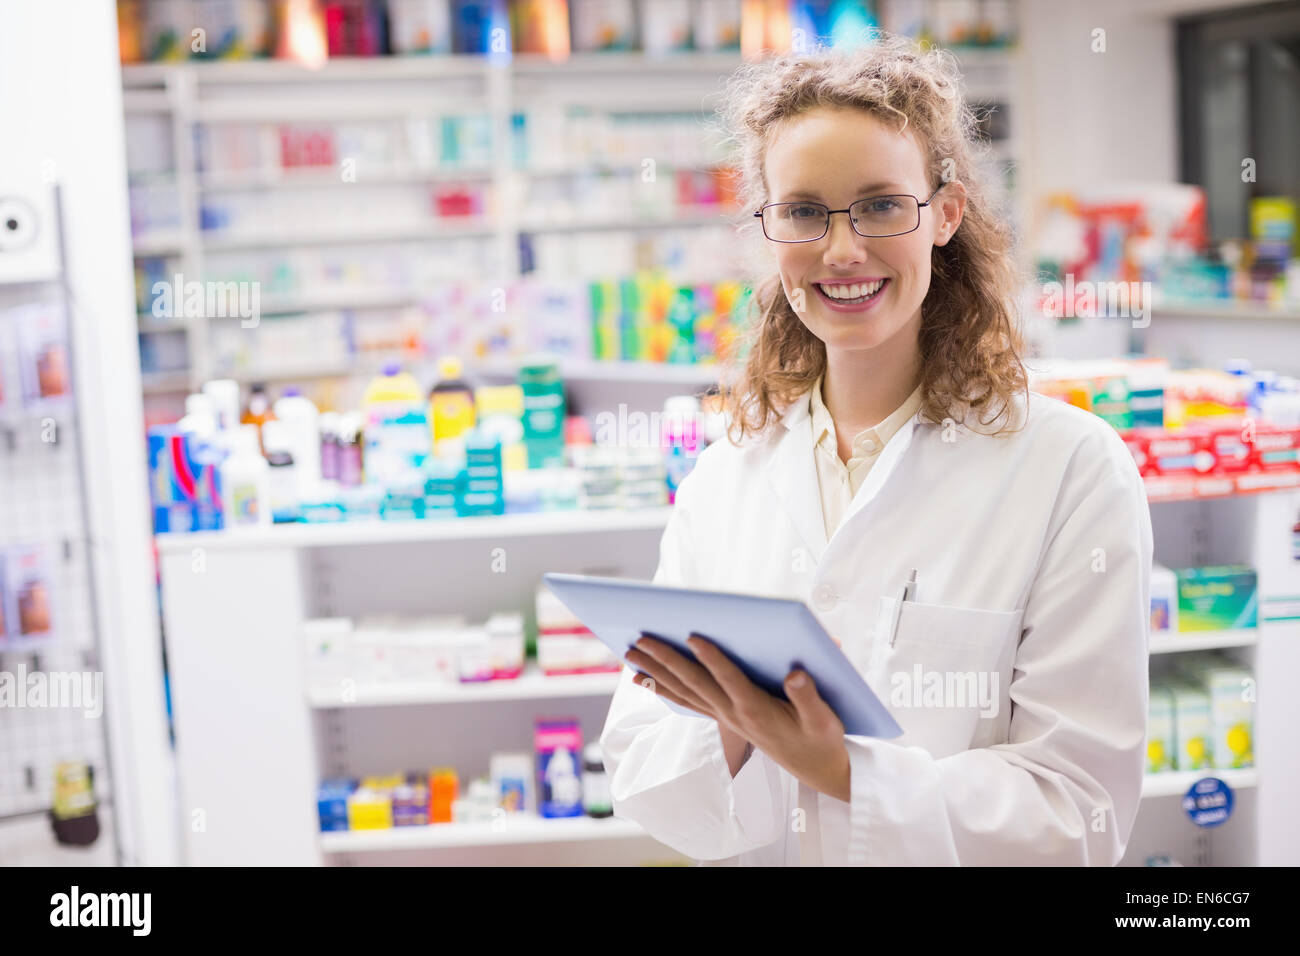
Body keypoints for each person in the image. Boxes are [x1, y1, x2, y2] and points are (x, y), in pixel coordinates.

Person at [599, 35, 1153, 866]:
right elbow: (644, 764)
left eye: (882, 205)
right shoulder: (726, 478)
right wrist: (735, 730)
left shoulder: (1072, 469)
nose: (844, 249)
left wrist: (843, 770)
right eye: (804, 211)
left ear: (946, 214)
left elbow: (1081, 810)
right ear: (770, 226)